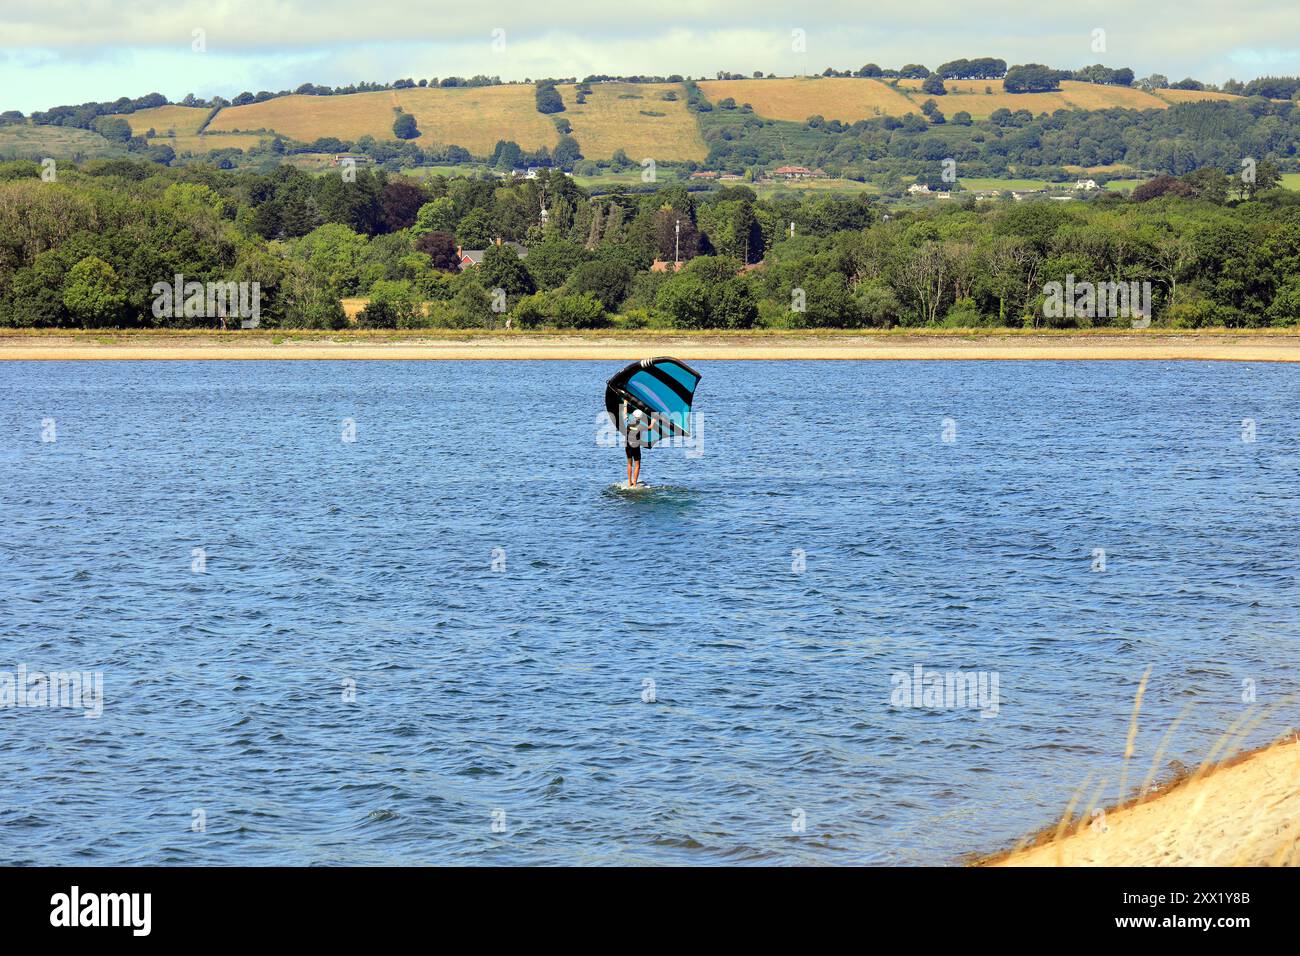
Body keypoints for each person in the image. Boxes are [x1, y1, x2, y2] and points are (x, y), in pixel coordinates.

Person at [624, 407, 646, 487]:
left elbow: (625, 414)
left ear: (633, 416)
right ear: (641, 417)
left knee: (629, 463)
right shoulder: (641, 426)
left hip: (627, 445)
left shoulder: (628, 423)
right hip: (635, 447)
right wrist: (654, 421)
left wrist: (625, 404)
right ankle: (634, 484)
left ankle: (629, 483)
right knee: (637, 465)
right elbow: (650, 427)